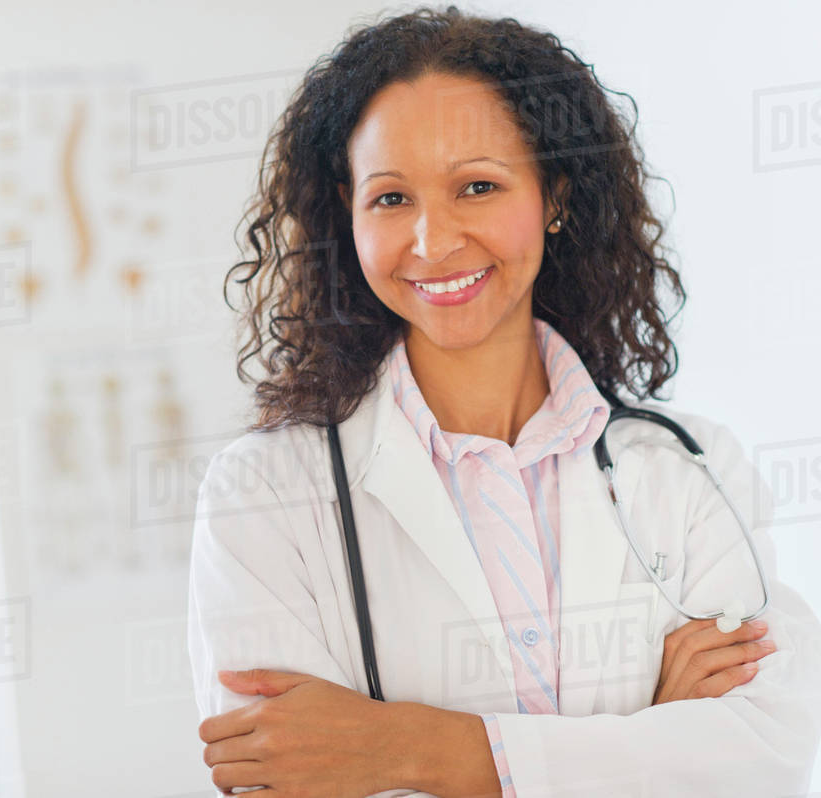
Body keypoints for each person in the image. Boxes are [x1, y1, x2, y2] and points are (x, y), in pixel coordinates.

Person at [186, 6, 821, 797]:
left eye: (478, 186)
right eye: (391, 199)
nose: (432, 241)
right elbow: (281, 774)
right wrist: (648, 739)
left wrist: (408, 749)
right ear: (346, 212)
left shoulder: (689, 468)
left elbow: (765, 753)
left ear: (554, 195)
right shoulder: (264, 495)